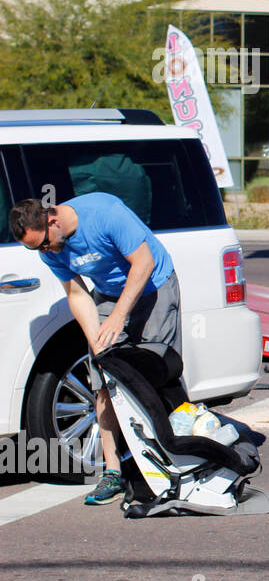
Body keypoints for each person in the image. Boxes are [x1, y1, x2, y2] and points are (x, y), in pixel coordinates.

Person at [10, 193, 182, 506]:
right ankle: (113, 473)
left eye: (44, 243)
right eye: (36, 248)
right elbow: (76, 293)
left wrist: (118, 316)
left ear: (53, 220)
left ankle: (172, 459)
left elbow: (144, 262)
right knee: (104, 380)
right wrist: (95, 340)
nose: (44, 252)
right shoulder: (49, 248)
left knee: (155, 374)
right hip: (108, 293)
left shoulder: (105, 214)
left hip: (153, 285)